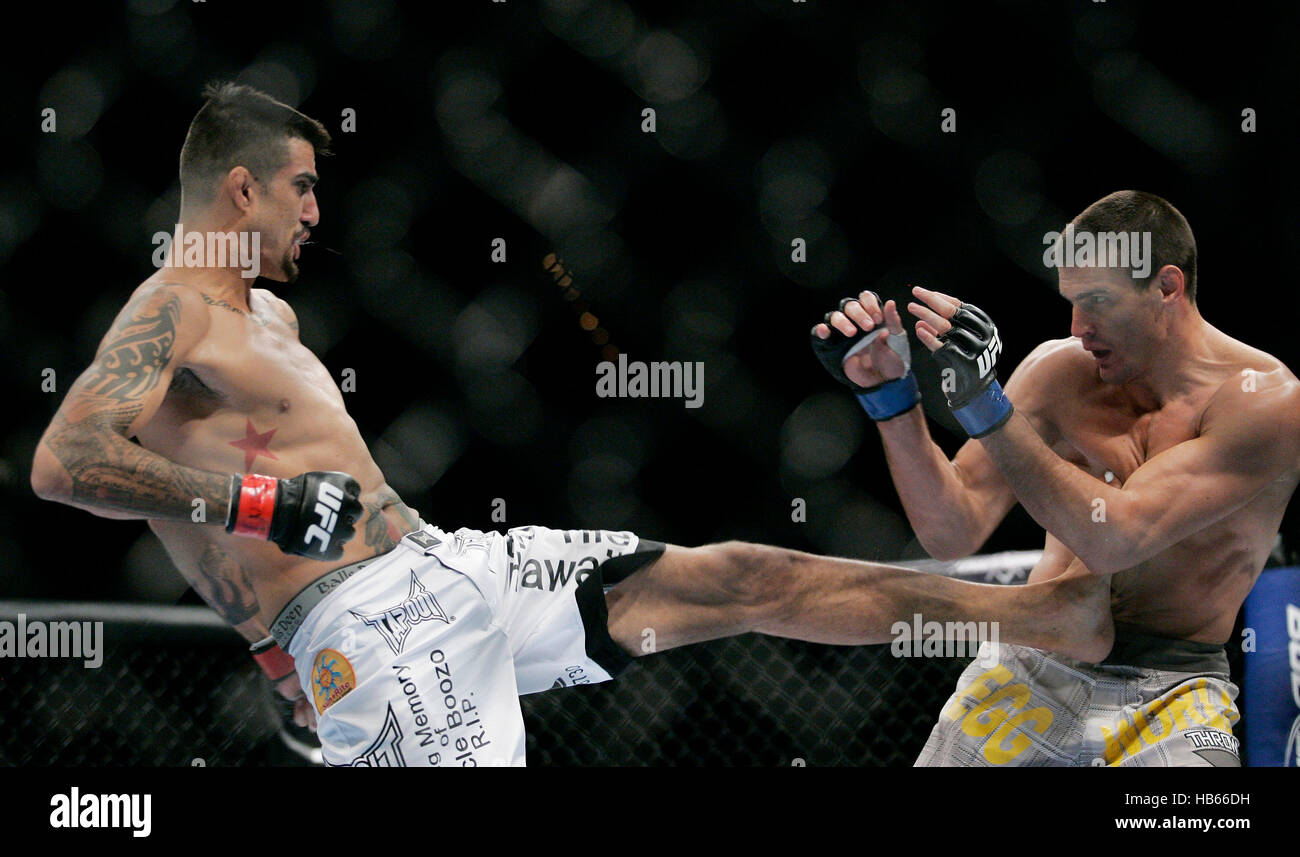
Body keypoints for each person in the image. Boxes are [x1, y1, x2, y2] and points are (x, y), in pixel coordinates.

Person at [31, 82, 1111, 766]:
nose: (316, 214)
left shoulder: (265, 311)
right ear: (237, 190)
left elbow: (225, 519)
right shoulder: (166, 311)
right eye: (300, 190)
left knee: (741, 574)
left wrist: (267, 642)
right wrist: (260, 524)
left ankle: (1038, 616)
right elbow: (64, 462)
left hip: (446, 567)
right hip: (373, 629)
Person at [812, 190, 1300, 766]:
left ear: (1167, 288)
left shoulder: (1264, 401)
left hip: (1171, 690)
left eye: (1097, 300)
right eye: (1072, 300)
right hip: (1030, 670)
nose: (1078, 326)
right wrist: (891, 401)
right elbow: (952, 529)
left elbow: (1115, 537)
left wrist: (983, 404)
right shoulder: (1059, 372)